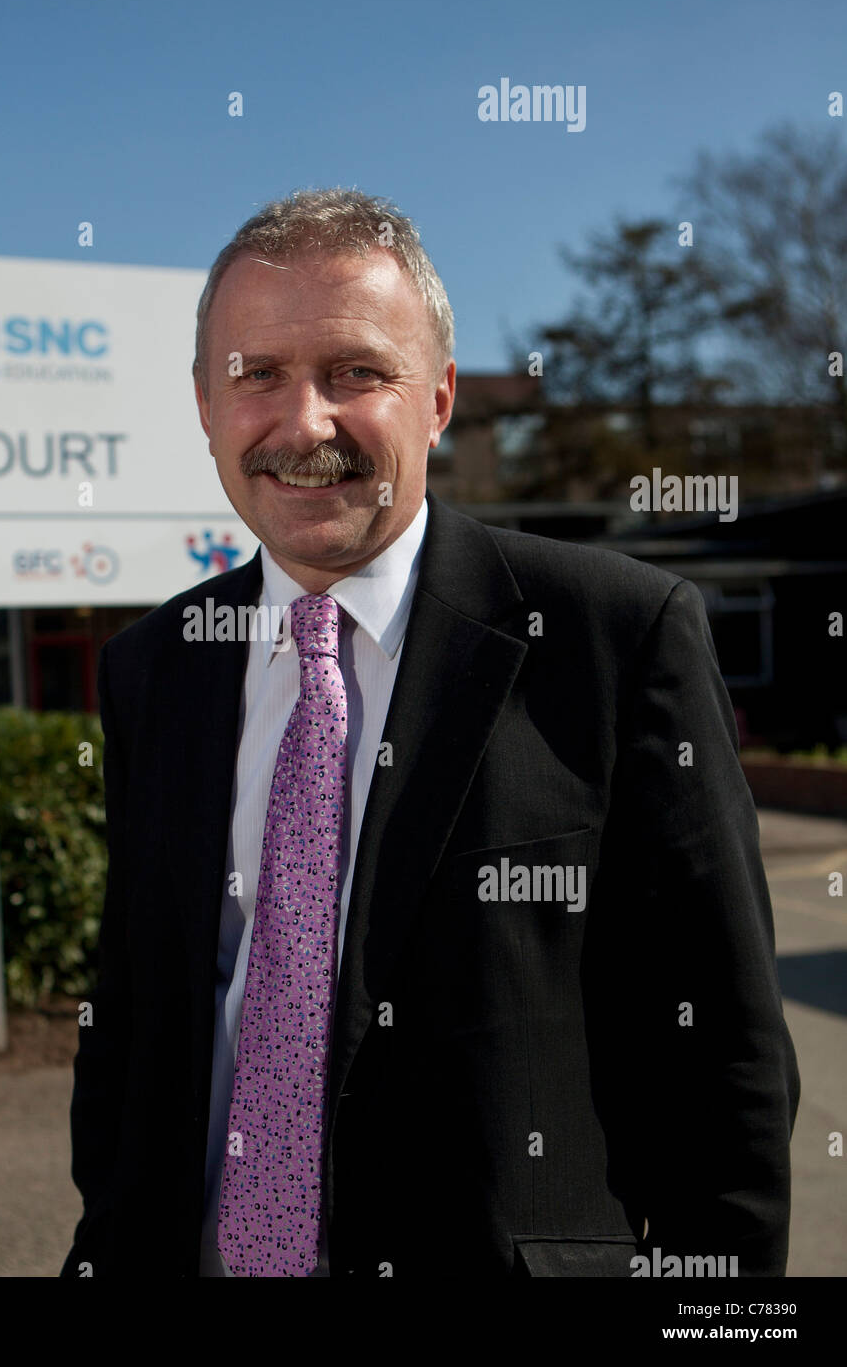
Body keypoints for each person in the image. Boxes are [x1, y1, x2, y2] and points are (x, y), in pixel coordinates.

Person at [62, 188, 799, 1278]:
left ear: (440, 397)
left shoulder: (612, 638)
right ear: (207, 405)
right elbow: (131, 1013)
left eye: (356, 372)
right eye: (256, 373)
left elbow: (720, 1065)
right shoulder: (154, 669)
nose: (303, 422)